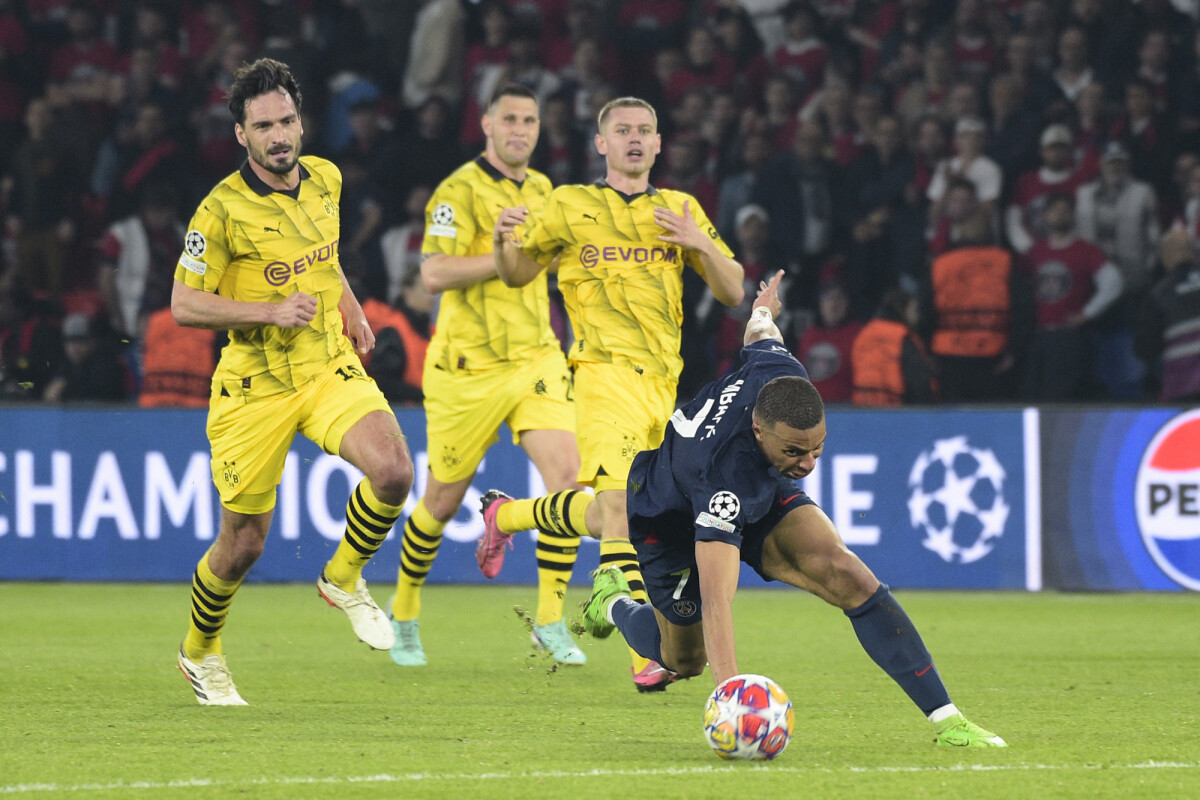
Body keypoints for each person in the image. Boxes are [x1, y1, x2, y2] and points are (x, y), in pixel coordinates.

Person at [580, 270, 1005, 748]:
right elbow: (718, 600)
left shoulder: (781, 374)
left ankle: (948, 720)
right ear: (761, 430)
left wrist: (763, 307)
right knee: (685, 660)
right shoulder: (724, 474)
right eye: (795, 453)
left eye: (817, 450)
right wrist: (730, 696)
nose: (807, 464)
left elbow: (760, 332)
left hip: (756, 482)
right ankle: (614, 602)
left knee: (847, 573)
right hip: (669, 512)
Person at [171, 59, 414, 706]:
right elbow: (184, 305)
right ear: (241, 136)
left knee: (393, 471)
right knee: (243, 544)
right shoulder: (220, 211)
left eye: (286, 121)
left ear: (302, 122)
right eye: (263, 126)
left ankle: (342, 576)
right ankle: (200, 652)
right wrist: (266, 311)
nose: (278, 135)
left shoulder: (327, 180)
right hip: (254, 387)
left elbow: (323, 257)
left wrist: (352, 307)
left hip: (325, 364)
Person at [490, 96, 745, 691]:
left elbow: (733, 290)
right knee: (626, 511)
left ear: (659, 144)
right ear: (601, 144)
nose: (634, 139)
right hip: (601, 373)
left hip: (665, 385)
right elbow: (517, 274)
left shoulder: (680, 209)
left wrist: (699, 244)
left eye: (645, 131)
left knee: (621, 513)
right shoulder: (569, 205)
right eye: (622, 131)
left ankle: (506, 514)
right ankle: (641, 647)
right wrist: (505, 243)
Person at [385, 84, 588, 668]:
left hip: (536, 358)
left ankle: (549, 620)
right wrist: (504, 258)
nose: (521, 129)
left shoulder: (547, 191)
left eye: (530, 120)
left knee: (569, 479)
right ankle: (404, 612)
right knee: (441, 502)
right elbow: (433, 274)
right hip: (466, 369)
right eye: (510, 119)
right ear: (487, 125)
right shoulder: (457, 191)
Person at [1135, 228, 1200, 402]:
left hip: (1183, 388)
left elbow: (1144, 348)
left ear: (1165, 258)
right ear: (1193, 253)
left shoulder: (1159, 294)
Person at [851, 287, 938, 406]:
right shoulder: (902, 336)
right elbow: (917, 380)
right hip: (895, 409)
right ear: (903, 310)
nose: (918, 315)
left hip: (861, 406)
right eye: (914, 309)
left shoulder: (864, 334)